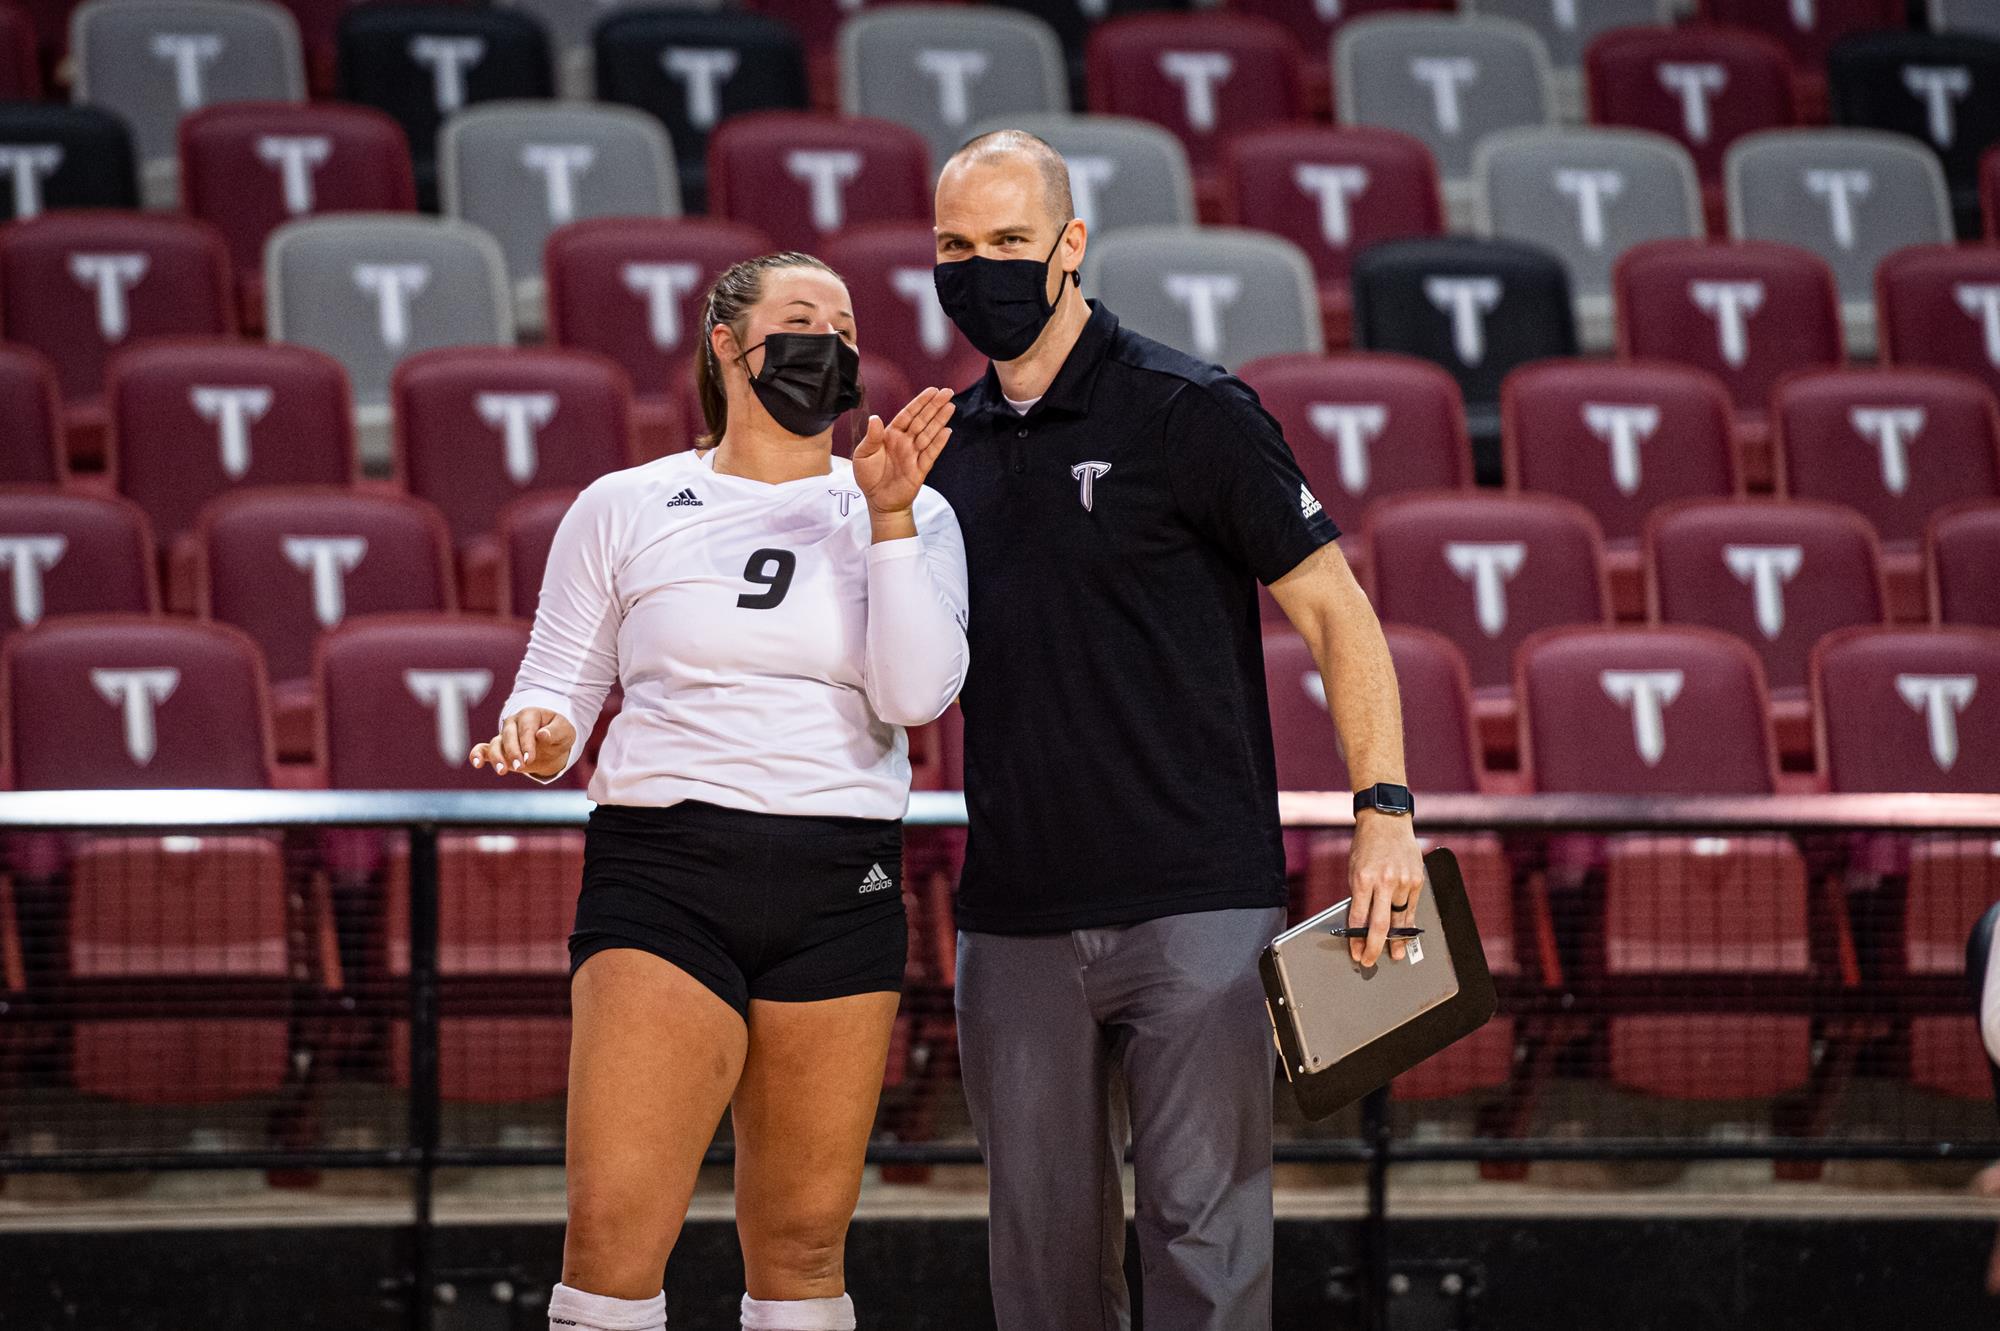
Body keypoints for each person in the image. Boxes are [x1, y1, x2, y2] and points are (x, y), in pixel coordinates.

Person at [924, 130, 1427, 1331]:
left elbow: (1336, 611)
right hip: (1013, 915)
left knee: (1204, 1250)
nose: (980, 268)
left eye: (1007, 240)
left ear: (1069, 244)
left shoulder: (1188, 408)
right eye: (955, 246)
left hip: (1195, 902)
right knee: (1040, 1271)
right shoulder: (936, 453)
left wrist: (1383, 811)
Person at [468, 251, 968, 1331]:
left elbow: (916, 696)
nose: (829, 345)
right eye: (802, 321)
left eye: (844, 328)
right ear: (728, 346)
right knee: (613, 1237)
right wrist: (540, 734)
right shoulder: (626, 503)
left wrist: (887, 518)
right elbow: (557, 690)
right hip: (666, 874)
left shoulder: (915, 510)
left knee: (803, 1244)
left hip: (842, 884)